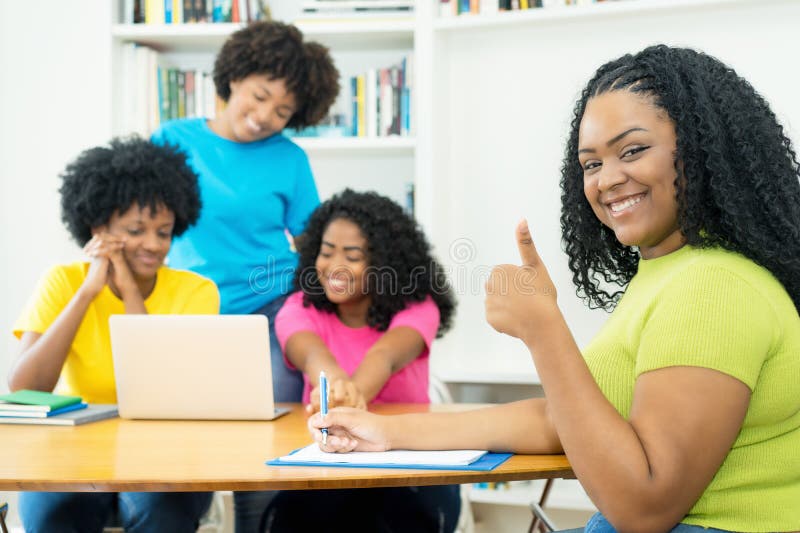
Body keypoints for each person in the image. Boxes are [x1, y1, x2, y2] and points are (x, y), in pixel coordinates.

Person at [308, 45, 800, 533]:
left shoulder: (713, 287)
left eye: (632, 151)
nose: (607, 180)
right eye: (591, 164)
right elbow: (559, 421)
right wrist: (383, 432)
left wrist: (544, 328)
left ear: (701, 148)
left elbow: (645, 506)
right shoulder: (671, 273)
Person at [8, 137, 219, 533]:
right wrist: (88, 292)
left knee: (162, 512)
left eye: (164, 232)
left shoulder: (197, 291)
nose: (154, 245)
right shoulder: (62, 282)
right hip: (74, 447)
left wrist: (129, 289)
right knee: (51, 513)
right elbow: (24, 388)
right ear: (99, 227)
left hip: (163, 449)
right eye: (136, 230)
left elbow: (153, 384)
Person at [150, 20, 340, 404]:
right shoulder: (172, 139)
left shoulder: (290, 159)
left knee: (271, 412)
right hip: (187, 308)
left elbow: (312, 243)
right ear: (235, 77)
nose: (265, 115)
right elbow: (141, 222)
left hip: (269, 309)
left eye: (283, 111)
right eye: (260, 95)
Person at [249, 189, 460, 532]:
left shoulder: (418, 307)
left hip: (407, 466)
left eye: (353, 255)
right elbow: (312, 353)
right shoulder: (299, 308)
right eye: (327, 252)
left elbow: (386, 355)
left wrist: (352, 392)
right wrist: (334, 385)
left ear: (385, 261)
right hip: (328, 467)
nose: (335, 266)